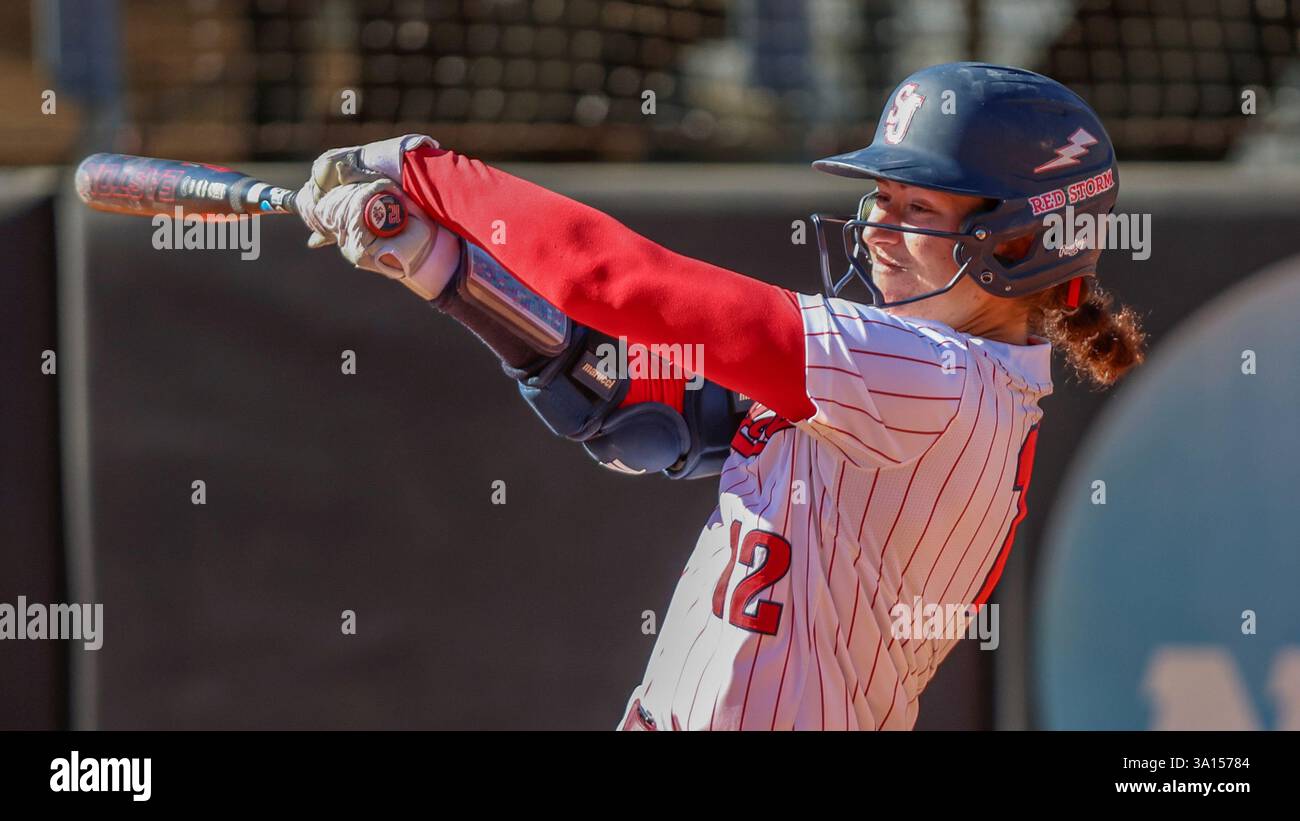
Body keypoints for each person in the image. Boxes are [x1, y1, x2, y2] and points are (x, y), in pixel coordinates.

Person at [296, 62, 1146, 730]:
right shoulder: (913, 373)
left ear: (1024, 241)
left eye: (916, 205)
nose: (879, 230)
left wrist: (422, 169)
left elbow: (620, 282)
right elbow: (631, 406)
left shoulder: (935, 379)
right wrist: (433, 262)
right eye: (880, 197)